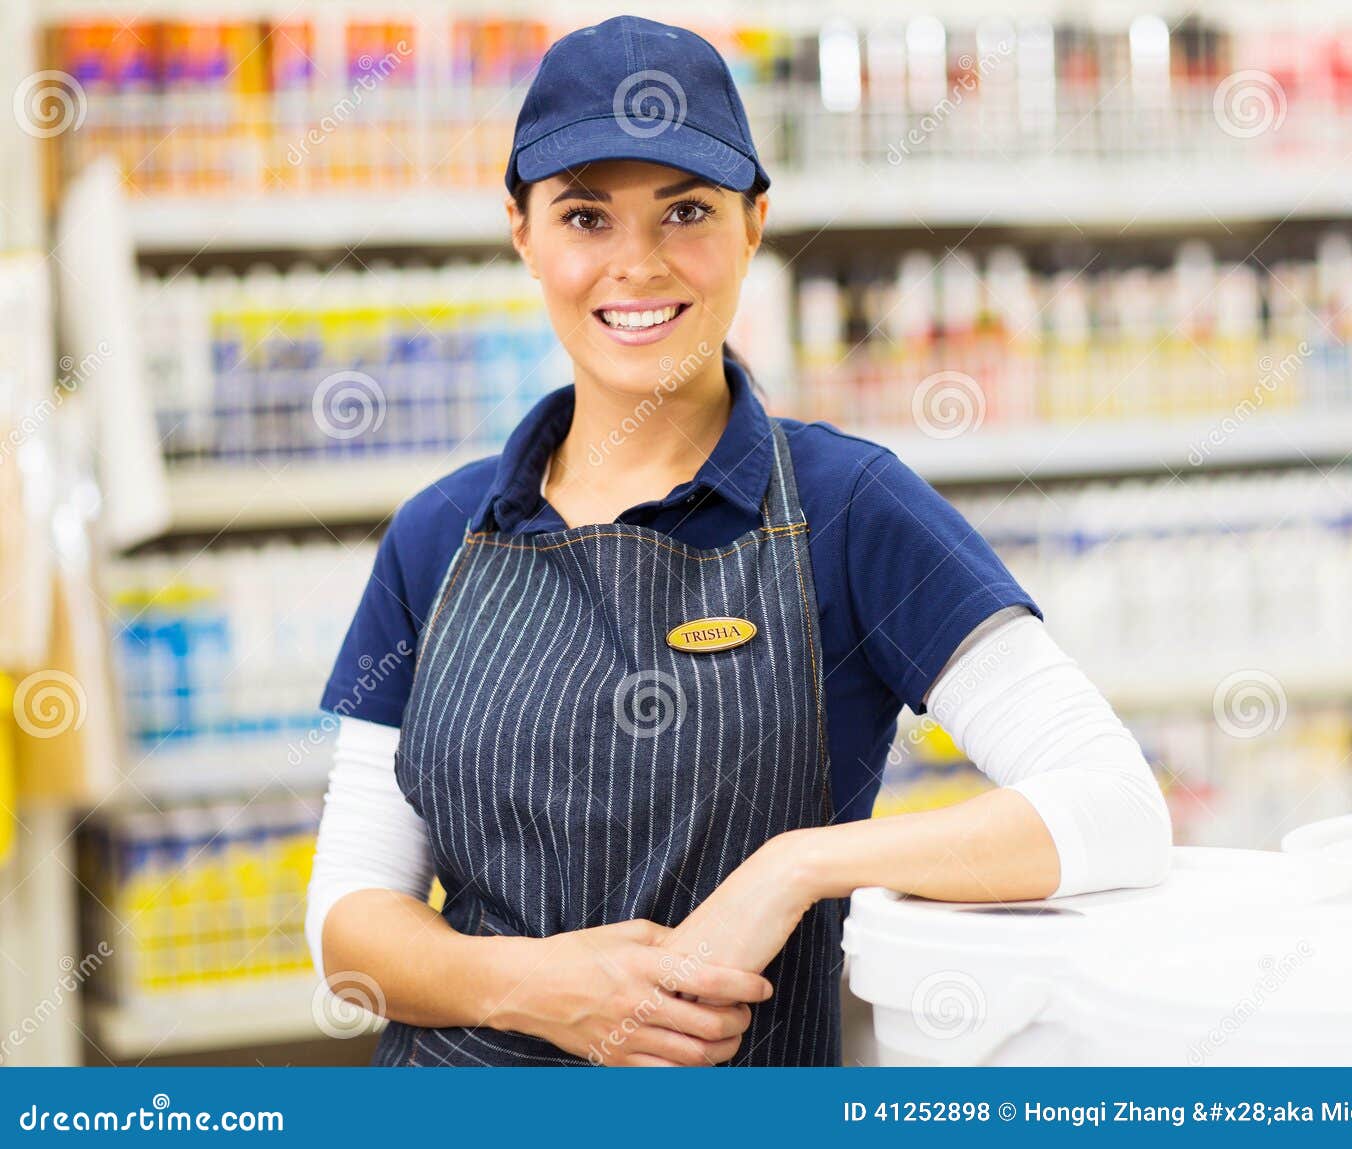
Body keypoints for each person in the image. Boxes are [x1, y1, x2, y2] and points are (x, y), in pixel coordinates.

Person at [307, 15, 1171, 1068]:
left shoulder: (848, 509)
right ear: (522, 232)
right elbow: (347, 914)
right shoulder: (440, 534)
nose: (637, 265)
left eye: (686, 212)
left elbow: (1113, 806)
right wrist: (538, 987)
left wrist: (800, 865)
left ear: (755, 225)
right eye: (586, 217)